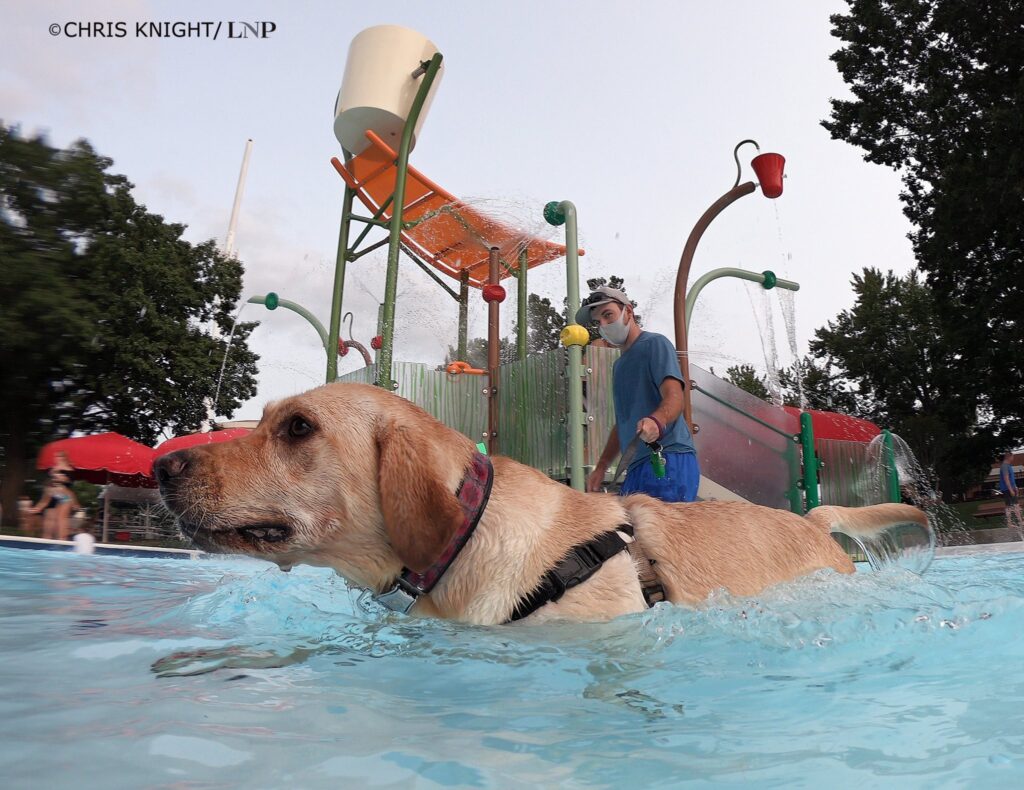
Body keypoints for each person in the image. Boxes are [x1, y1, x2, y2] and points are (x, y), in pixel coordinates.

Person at [579, 286, 700, 502]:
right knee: (631, 531)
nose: (604, 326)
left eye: (608, 316)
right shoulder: (619, 366)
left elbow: (675, 396)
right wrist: (602, 466)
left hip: (668, 458)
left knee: (662, 534)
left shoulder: (655, 344)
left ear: (628, 311)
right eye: (599, 322)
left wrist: (657, 420)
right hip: (636, 466)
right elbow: (624, 422)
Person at [998, 451, 1023, 540]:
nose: (1013, 458)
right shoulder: (1004, 466)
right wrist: (1010, 489)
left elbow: (1011, 478)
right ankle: (1011, 523)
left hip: (1010, 488)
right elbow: (1006, 479)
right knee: (1010, 505)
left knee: (1015, 504)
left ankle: (1019, 521)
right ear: (1008, 457)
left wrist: (1015, 486)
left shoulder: (1008, 466)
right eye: (1012, 457)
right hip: (1007, 489)